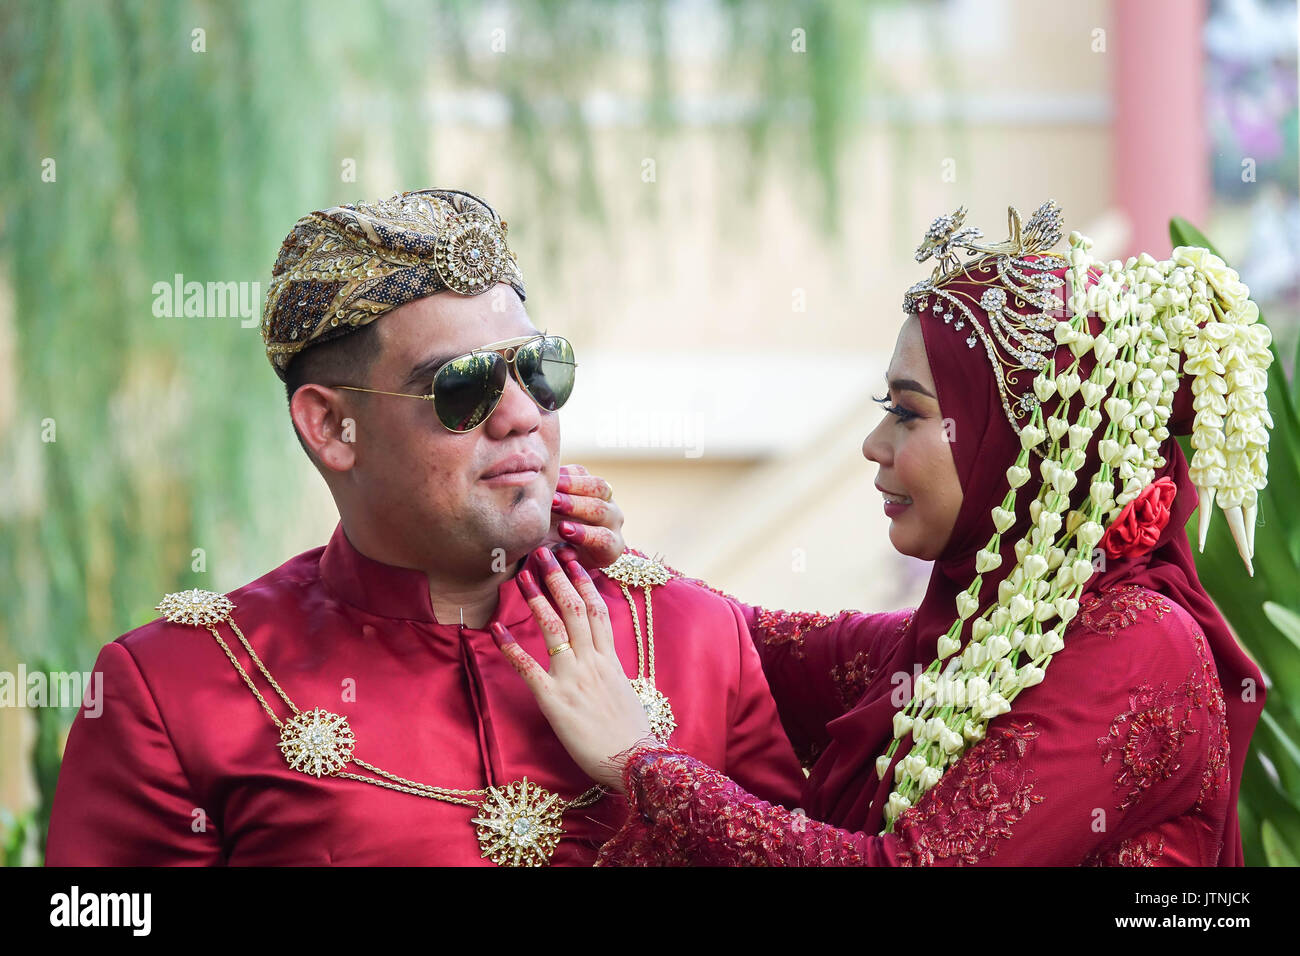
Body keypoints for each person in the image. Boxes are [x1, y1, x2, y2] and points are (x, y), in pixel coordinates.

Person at [494, 200, 1271, 866]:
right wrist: (618, 561)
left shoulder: (1138, 643)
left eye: (907, 411)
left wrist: (643, 765)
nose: (875, 444)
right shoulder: (985, 629)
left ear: (1023, 442)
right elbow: (758, 643)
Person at [44, 187, 804, 867]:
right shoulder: (181, 689)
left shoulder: (695, 638)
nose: (521, 416)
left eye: (539, 369)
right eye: (462, 386)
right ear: (333, 425)